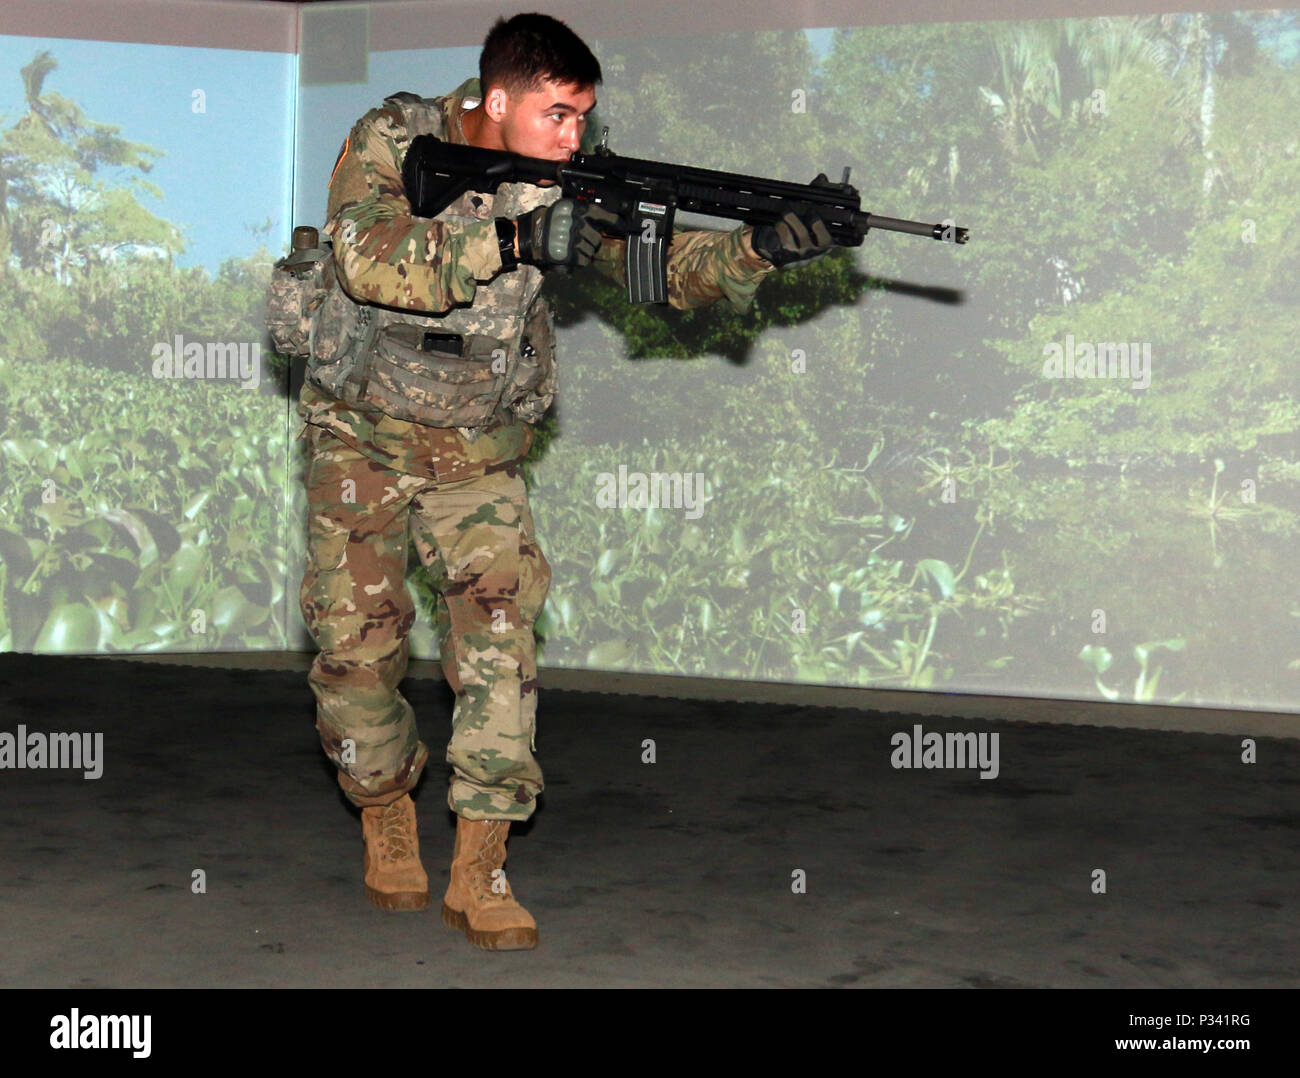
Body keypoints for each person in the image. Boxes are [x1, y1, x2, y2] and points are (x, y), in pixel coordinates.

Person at [295, 12, 842, 952]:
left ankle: (481, 866)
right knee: (355, 658)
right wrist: (514, 240)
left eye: (582, 116)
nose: (573, 135)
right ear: (495, 100)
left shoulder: (568, 175)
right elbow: (369, 257)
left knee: (501, 654)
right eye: (557, 114)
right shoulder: (394, 137)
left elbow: (666, 273)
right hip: (361, 441)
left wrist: (760, 249)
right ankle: (384, 808)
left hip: (479, 453)